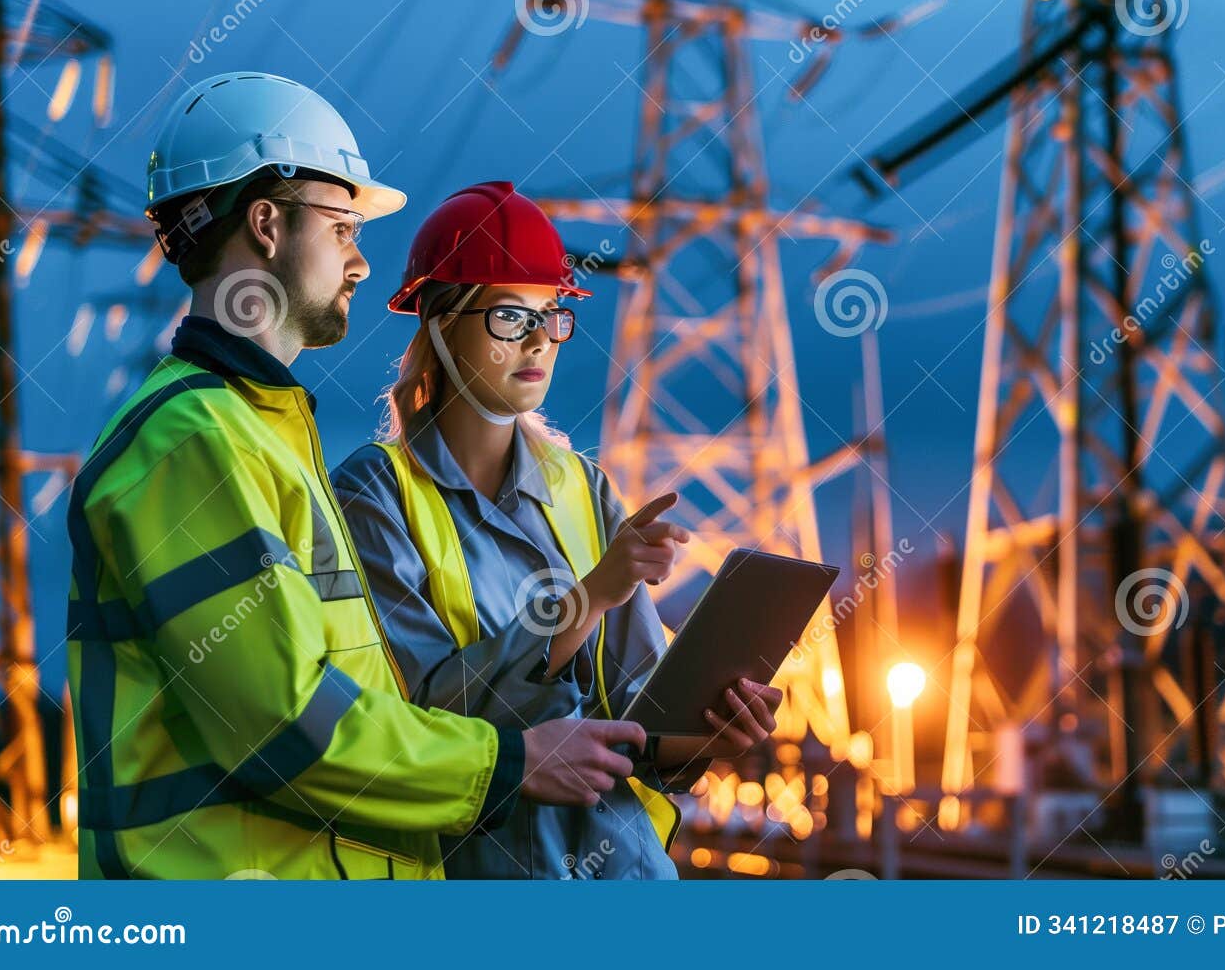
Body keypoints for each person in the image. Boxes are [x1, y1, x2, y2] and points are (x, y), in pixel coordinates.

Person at [66, 75, 645, 880]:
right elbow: (284, 722)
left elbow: (357, 701)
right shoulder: (190, 441)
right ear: (266, 225)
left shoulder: (263, 434)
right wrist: (508, 761)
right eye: (342, 229)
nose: (363, 263)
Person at [330, 181, 782, 879]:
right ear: (443, 325)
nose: (542, 337)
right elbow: (418, 715)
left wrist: (706, 731)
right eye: (512, 315)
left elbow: (636, 719)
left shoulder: (582, 487)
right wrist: (589, 596)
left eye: (553, 313)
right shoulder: (374, 493)